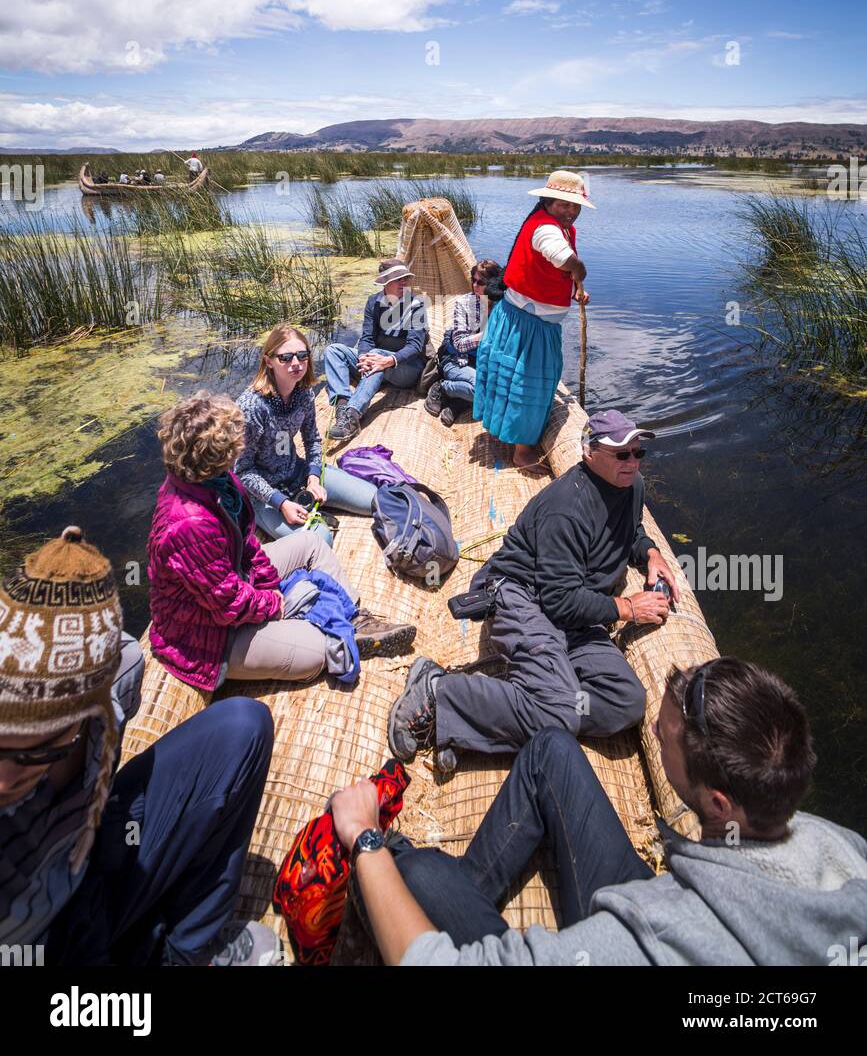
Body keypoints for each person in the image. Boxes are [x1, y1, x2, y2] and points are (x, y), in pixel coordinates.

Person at [332, 657, 867, 966]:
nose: (652, 731)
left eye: (666, 737)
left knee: (414, 868)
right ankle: (461, 895)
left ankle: (442, 895)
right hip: (675, 895)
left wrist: (366, 839)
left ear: (720, 805)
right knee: (551, 749)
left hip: (648, 922)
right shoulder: (842, 848)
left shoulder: (647, 939)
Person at [0, 524, 284, 966]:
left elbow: (120, 657)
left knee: (242, 725)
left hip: (97, 844)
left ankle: (186, 946)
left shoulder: (114, 672)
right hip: (51, 941)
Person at [388, 409, 675, 773]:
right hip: (526, 596)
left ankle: (495, 710)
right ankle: (441, 693)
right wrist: (627, 608)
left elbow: (630, 530)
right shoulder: (566, 508)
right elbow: (559, 601)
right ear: (589, 453)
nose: (632, 462)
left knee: (626, 702)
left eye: (638, 453)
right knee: (558, 715)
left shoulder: (631, 486)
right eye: (621, 454)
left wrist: (650, 552)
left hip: (576, 611)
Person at [147, 392, 416, 689]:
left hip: (237, 581)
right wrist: (274, 603)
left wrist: (266, 580)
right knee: (314, 654)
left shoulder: (220, 482)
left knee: (311, 543)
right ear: (217, 455)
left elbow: (248, 542)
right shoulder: (188, 524)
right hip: (206, 634)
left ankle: (353, 620)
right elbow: (228, 604)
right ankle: (320, 628)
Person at [474, 169, 594, 471]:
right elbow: (561, 258)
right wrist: (579, 269)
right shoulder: (545, 228)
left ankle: (511, 432)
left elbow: (552, 271)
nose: (570, 211)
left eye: (574, 205)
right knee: (529, 384)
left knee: (533, 380)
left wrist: (575, 290)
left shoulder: (561, 227)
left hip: (532, 321)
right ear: (548, 201)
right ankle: (522, 451)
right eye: (563, 204)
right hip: (526, 326)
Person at [235, 323, 378, 546]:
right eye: (286, 358)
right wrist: (281, 503)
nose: (296, 364)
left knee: (374, 499)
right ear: (269, 361)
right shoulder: (252, 407)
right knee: (321, 539)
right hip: (263, 494)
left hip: (297, 472)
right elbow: (242, 470)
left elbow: (312, 440)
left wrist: (312, 476)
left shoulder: (302, 393)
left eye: (302, 356)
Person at [325, 259, 428, 441]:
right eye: (398, 279)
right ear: (385, 283)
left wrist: (387, 360)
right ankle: (342, 404)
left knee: (378, 355)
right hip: (377, 360)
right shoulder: (374, 302)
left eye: (405, 279)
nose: (404, 283)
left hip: (406, 368)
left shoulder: (417, 305)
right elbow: (367, 338)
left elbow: (415, 346)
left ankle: (353, 417)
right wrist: (364, 357)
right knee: (334, 350)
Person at [425, 259, 502, 428]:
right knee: (483, 389)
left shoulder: (501, 306)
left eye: (480, 282)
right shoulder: (464, 303)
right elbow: (459, 344)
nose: (475, 286)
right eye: (473, 280)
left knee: (502, 392)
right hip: (457, 359)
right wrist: (488, 335)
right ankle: (443, 387)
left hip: (485, 362)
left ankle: (458, 403)